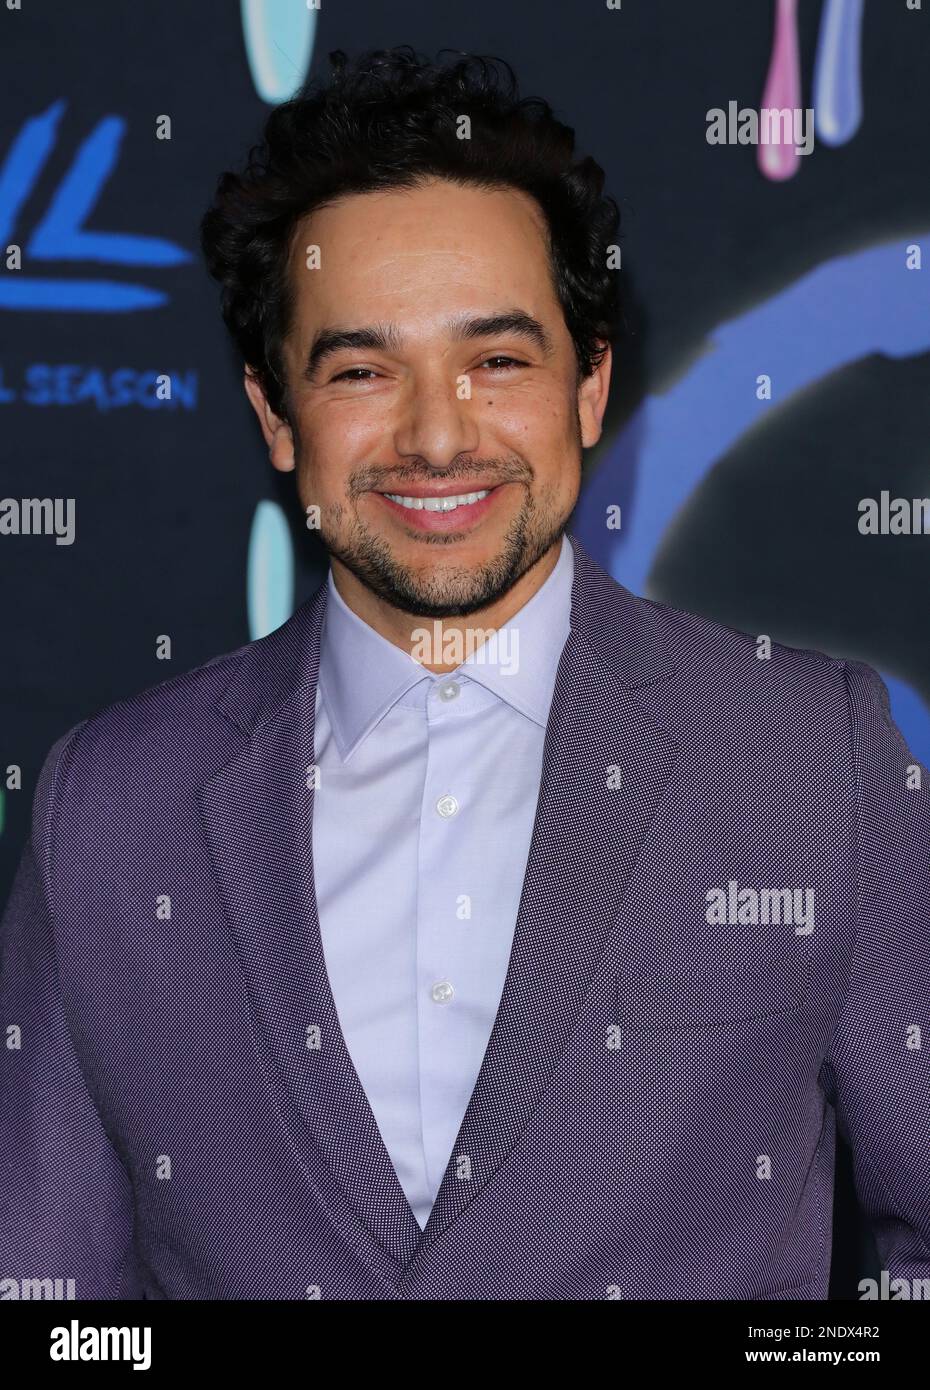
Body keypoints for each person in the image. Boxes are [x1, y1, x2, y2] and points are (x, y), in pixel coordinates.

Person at [1, 46, 928, 1301]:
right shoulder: (106, 806)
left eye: (497, 361)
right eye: (362, 371)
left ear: (589, 385)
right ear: (277, 415)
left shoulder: (817, 759)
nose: (439, 434)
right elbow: (50, 1304)